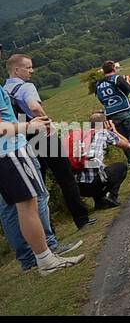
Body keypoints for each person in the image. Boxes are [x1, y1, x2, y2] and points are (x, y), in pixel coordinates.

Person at [0, 78, 83, 274]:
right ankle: (45, 259)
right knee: (28, 205)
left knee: (19, 207)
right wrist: (29, 126)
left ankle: (38, 257)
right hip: (10, 151)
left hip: (8, 153)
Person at [4, 54, 95, 230]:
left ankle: (48, 230)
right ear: (16, 70)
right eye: (28, 67)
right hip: (42, 134)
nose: (32, 71)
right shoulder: (26, 86)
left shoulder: (5, 91)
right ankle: (81, 218)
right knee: (65, 177)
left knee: (39, 185)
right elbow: (34, 107)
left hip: (23, 138)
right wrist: (48, 122)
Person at [94, 61, 130, 168]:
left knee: (123, 138)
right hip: (125, 109)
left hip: (111, 114)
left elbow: (101, 99)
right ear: (114, 68)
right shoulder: (117, 78)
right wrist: (128, 81)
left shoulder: (98, 84)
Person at [69, 112, 130, 209]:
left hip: (77, 187)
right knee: (121, 167)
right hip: (94, 184)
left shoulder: (79, 134)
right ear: (105, 123)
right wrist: (114, 130)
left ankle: (100, 202)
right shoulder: (103, 133)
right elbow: (127, 145)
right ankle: (111, 197)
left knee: (96, 167)